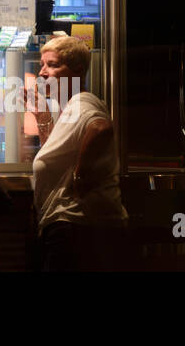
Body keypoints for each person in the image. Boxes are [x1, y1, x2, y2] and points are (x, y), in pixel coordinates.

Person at [29, 32, 127, 270]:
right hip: (73, 225)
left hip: (79, 228)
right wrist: (41, 113)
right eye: (42, 65)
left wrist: (80, 174)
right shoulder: (69, 108)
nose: (43, 73)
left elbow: (101, 128)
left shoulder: (83, 102)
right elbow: (55, 152)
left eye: (53, 65)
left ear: (77, 70)